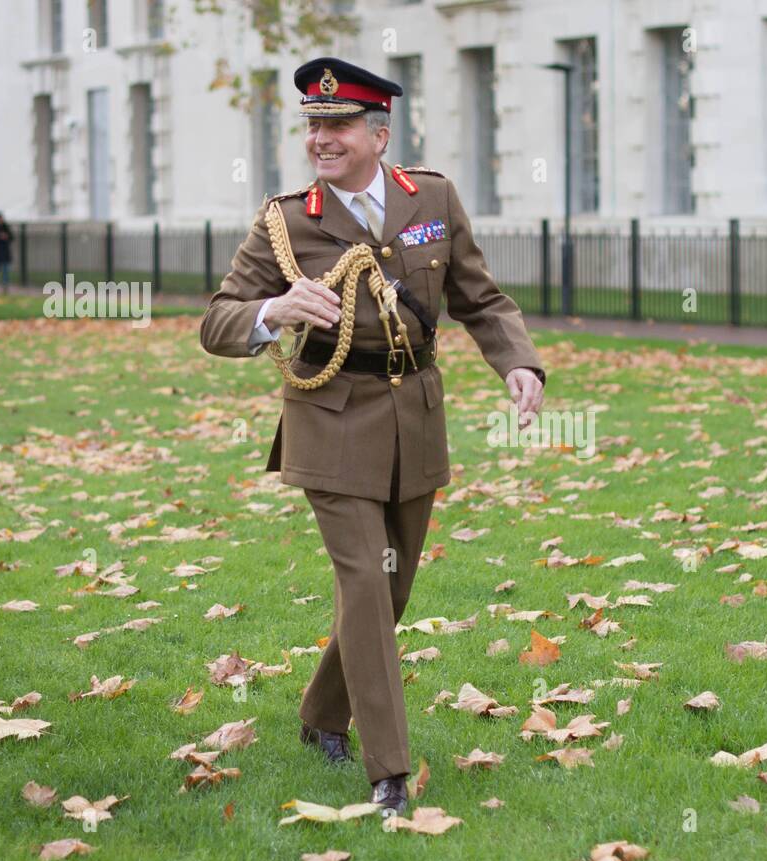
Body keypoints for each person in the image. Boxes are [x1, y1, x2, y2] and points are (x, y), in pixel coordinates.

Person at [199, 57, 547, 817]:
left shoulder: (434, 199)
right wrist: (274, 313)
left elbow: (479, 298)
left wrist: (519, 364)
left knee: (390, 588)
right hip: (329, 415)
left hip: (414, 414)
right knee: (362, 579)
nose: (321, 139)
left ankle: (321, 713)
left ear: (379, 133)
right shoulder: (285, 221)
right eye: (313, 126)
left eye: (338, 125)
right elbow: (216, 321)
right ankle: (389, 771)